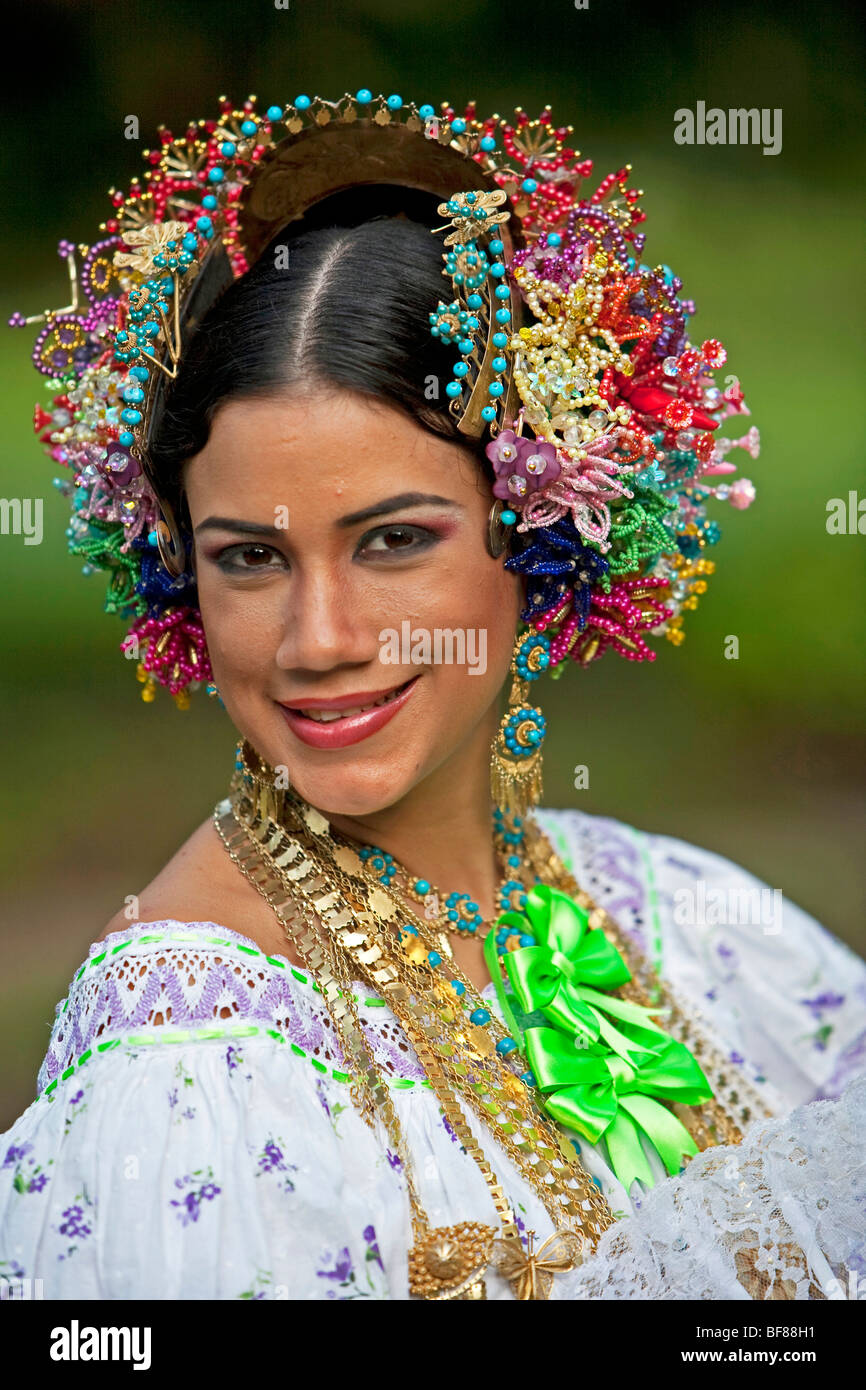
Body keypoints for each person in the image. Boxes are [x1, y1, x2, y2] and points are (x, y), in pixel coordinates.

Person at [2, 90, 864, 1302]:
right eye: (249, 556)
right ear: (177, 572)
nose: (321, 639)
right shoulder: (187, 1058)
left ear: (540, 526)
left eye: (393, 539)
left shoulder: (690, 921)